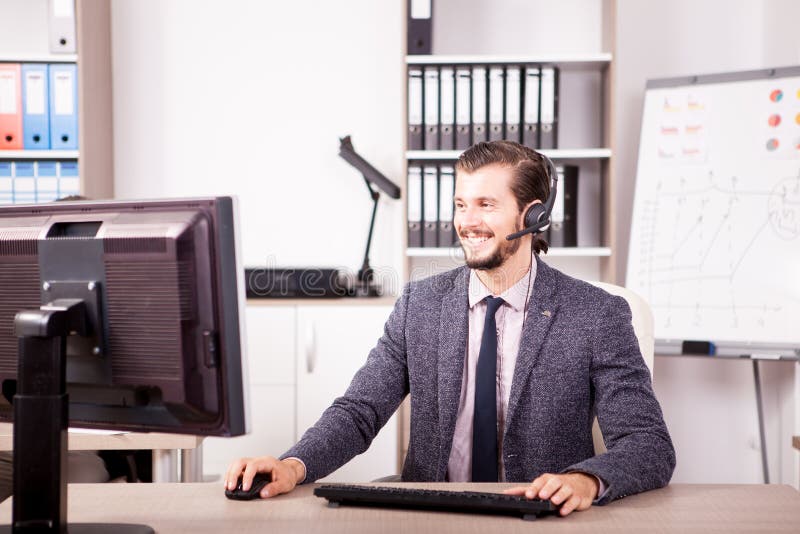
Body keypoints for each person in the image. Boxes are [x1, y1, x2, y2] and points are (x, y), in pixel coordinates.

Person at [226, 141, 675, 516]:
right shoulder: (419, 306)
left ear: (532, 216)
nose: (467, 222)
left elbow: (648, 444)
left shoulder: (596, 314)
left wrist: (586, 480)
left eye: (486, 205)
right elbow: (359, 412)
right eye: (461, 204)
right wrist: (294, 464)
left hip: (539, 520)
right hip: (431, 518)